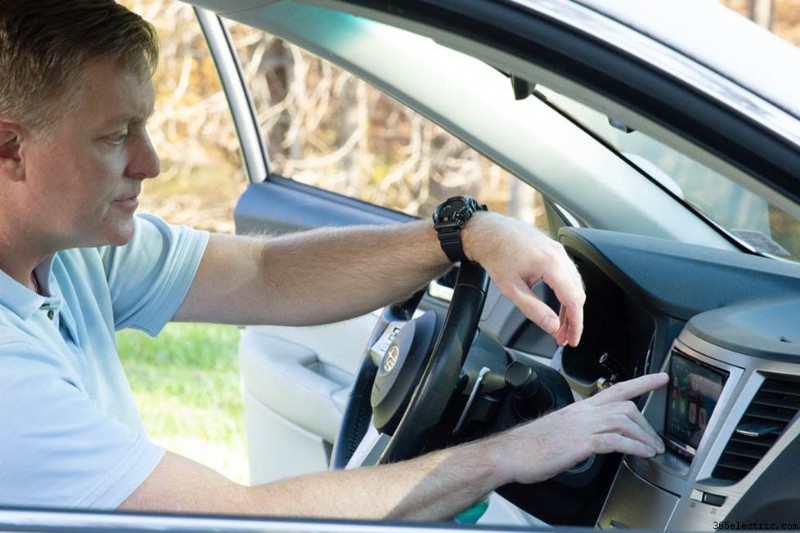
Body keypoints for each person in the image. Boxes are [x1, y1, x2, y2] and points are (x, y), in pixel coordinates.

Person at [0, 0, 667, 521]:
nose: (151, 161)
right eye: (116, 136)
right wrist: (517, 451)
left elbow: (265, 275)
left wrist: (463, 235)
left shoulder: (74, 256)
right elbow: (230, 519)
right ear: (9, 150)